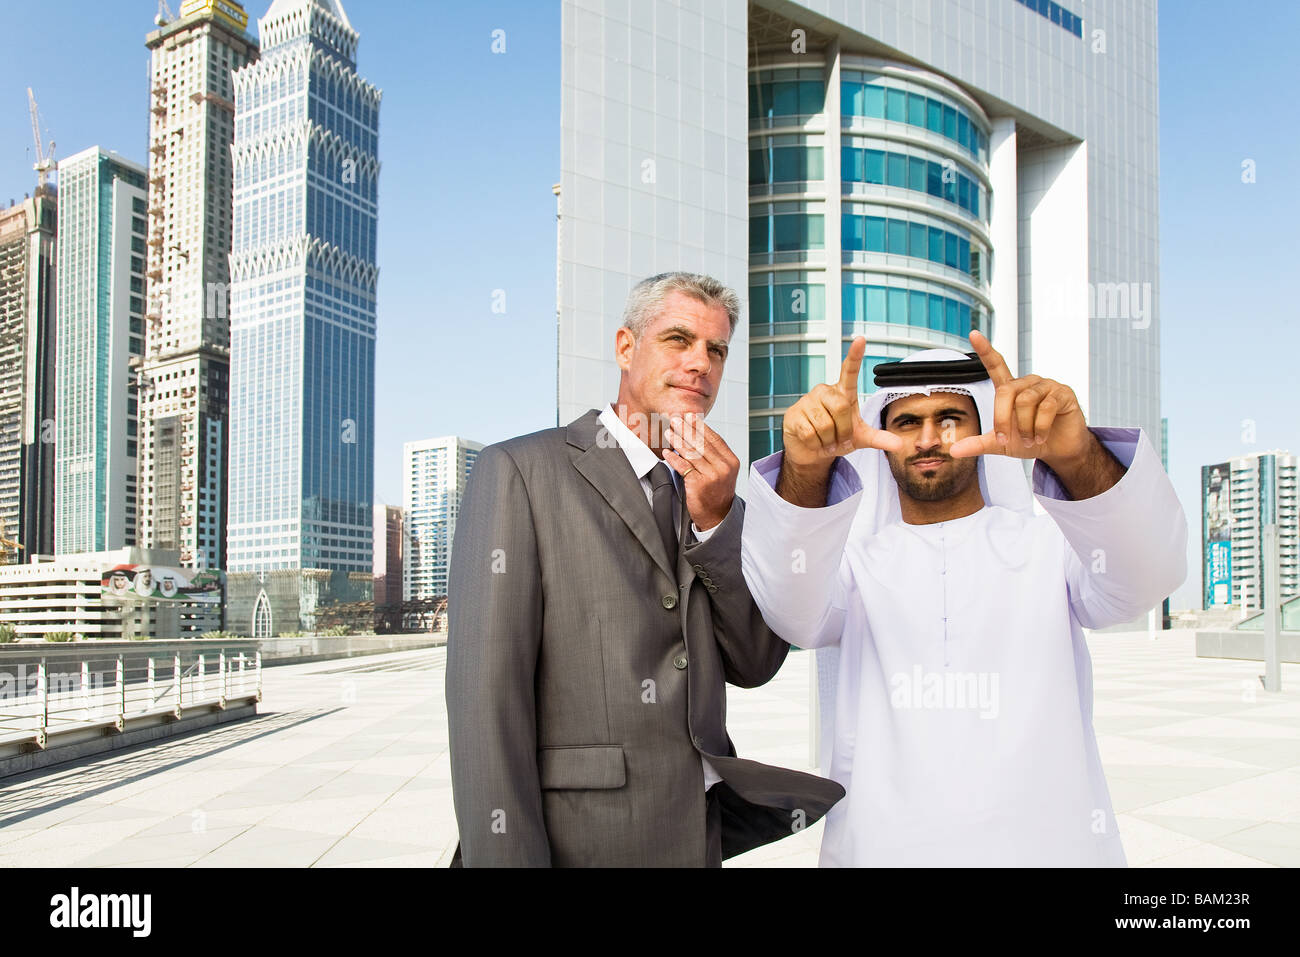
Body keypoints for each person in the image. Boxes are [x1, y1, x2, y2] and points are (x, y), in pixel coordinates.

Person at [740, 332, 1187, 866]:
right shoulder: (852, 568)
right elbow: (792, 612)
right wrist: (808, 468)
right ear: (881, 438)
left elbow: (1147, 576)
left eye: (951, 419)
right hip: (885, 847)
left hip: (1044, 846)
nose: (929, 438)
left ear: (986, 430)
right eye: (906, 422)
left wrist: (1076, 453)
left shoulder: (1051, 549)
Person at [446, 272, 844, 867]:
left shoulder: (719, 500)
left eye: (716, 350)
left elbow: (755, 661)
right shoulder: (522, 472)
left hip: (694, 837)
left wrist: (714, 525)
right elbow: (485, 704)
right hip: (581, 839)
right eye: (678, 340)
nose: (700, 364)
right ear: (626, 348)